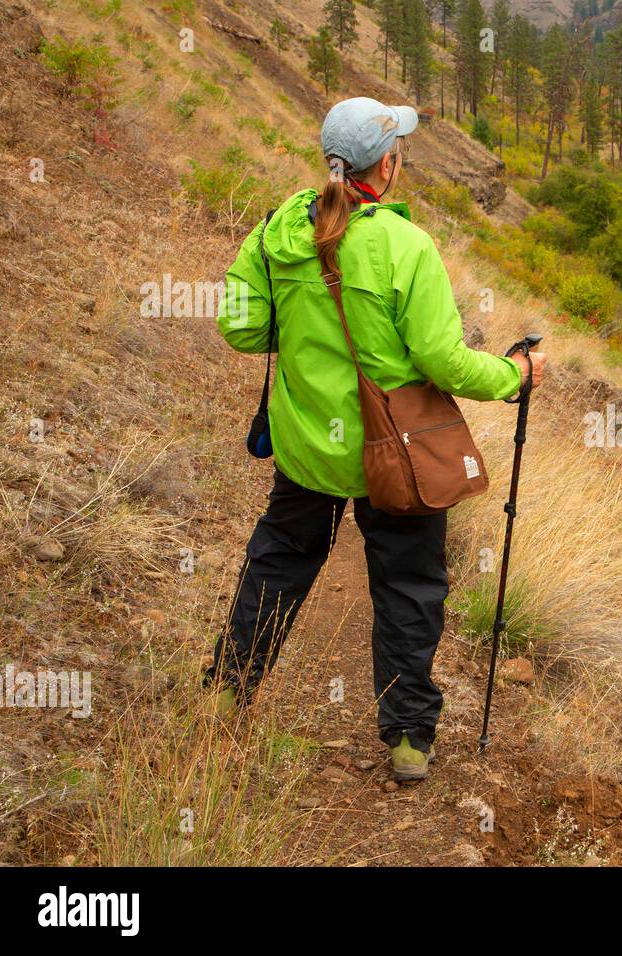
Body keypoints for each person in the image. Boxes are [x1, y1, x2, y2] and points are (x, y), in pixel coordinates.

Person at [209, 97, 545, 780]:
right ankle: (408, 739)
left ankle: (228, 692)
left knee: (277, 565)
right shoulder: (406, 246)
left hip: (307, 451)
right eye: (399, 151)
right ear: (386, 166)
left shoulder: (278, 231)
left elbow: (241, 328)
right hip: (398, 459)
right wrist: (516, 373)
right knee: (409, 588)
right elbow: (444, 362)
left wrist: (306, 330)